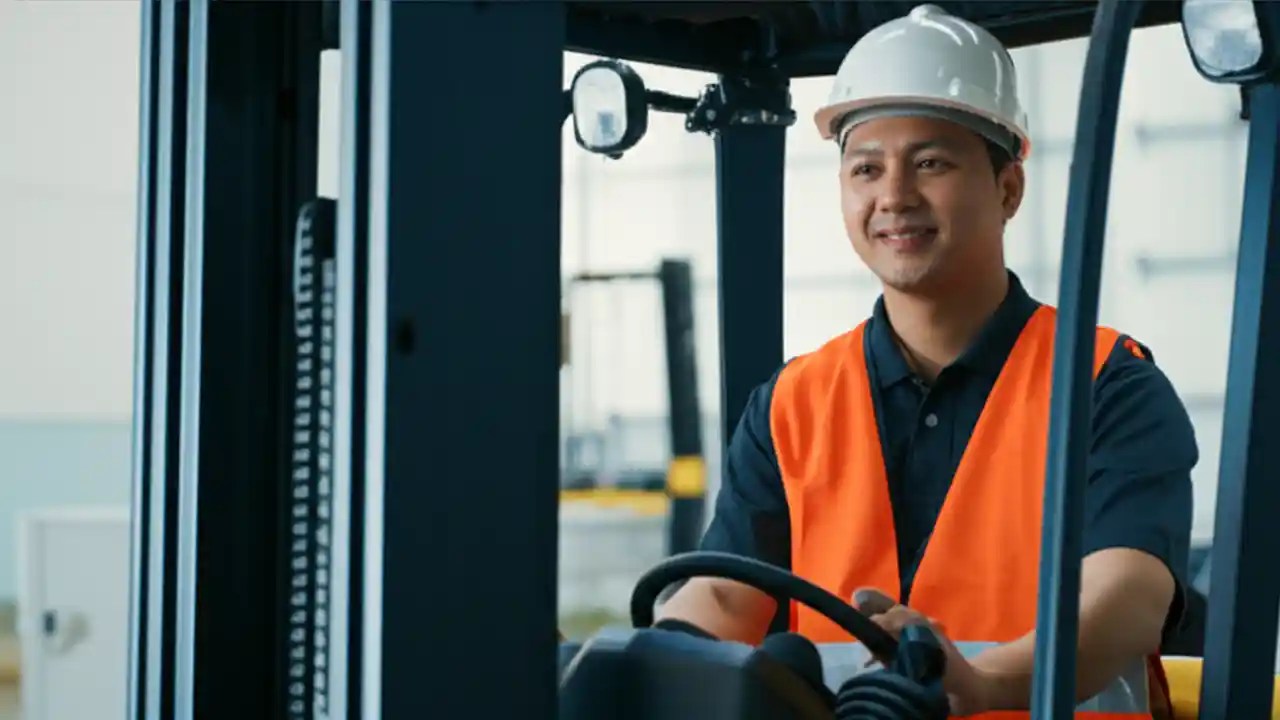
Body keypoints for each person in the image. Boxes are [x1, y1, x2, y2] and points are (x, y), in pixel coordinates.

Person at [654, 4, 1196, 717]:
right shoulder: (793, 403)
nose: (894, 196)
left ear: (1008, 189)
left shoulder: (1108, 386)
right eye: (866, 168)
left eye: (930, 163)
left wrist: (982, 685)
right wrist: (649, 664)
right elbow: (724, 594)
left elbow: (1123, 602)